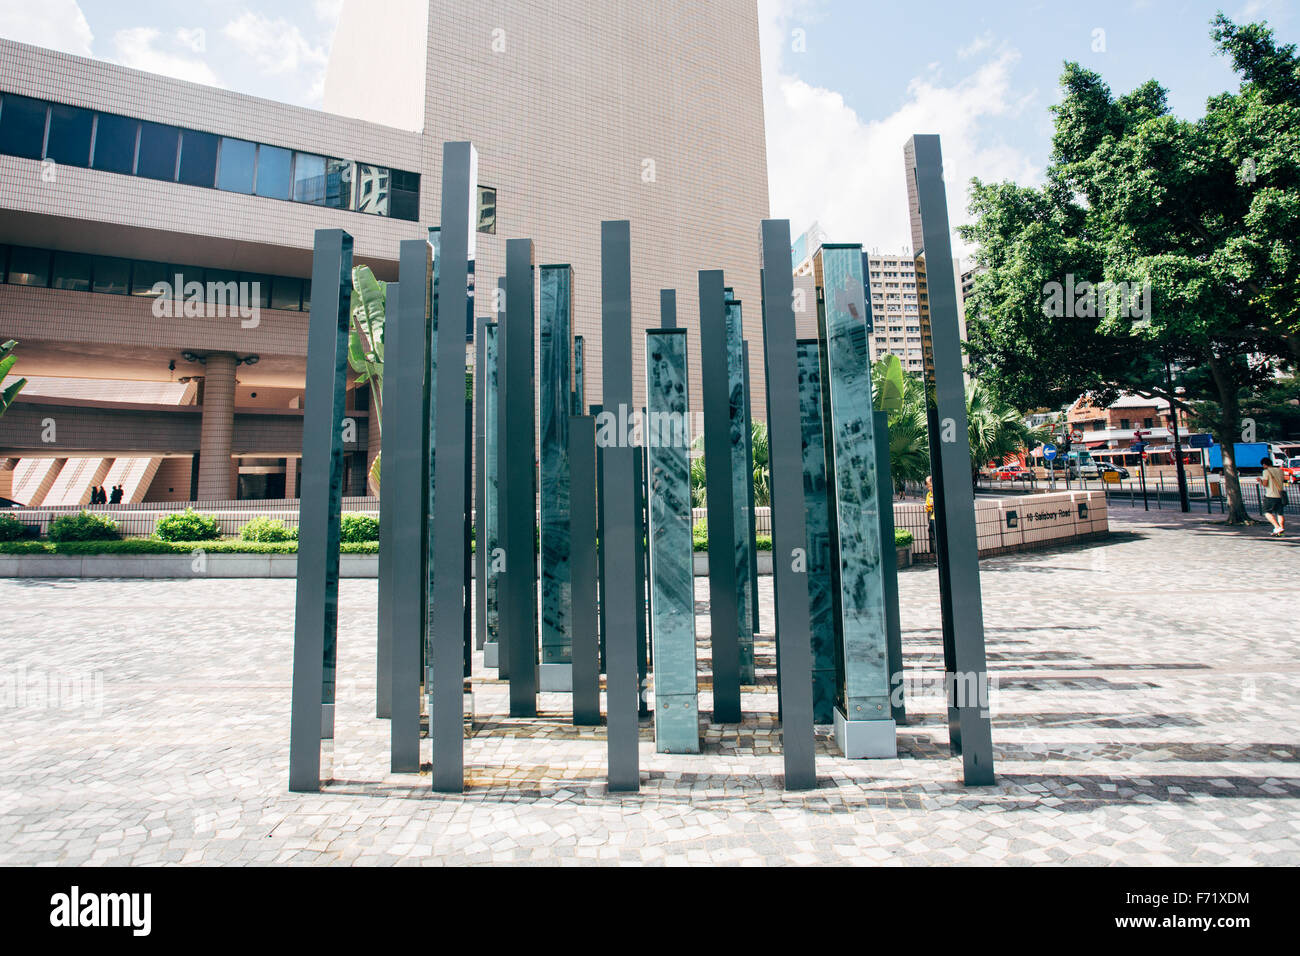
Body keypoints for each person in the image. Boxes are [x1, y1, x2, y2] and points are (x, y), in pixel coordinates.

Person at [1258, 456, 1287, 536]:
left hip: (1270, 495)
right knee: (1280, 513)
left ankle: (1277, 527)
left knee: (1266, 512)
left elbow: (1265, 484)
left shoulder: (1266, 472)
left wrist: (1260, 480)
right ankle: (1281, 530)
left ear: (1264, 465)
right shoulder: (1280, 471)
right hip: (1280, 495)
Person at [924, 475, 935, 551]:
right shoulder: (928, 494)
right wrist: (927, 506)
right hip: (932, 518)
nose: (929, 488)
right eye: (928, 487)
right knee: (935, 538)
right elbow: (928, 508)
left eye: (930, 486)